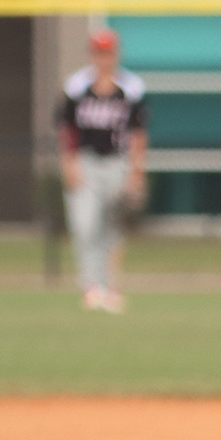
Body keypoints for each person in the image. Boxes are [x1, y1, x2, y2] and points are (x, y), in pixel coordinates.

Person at [57, 29, 149, 314]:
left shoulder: (132, 87)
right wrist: (69, 165)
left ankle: (110, 288)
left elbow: (138, 134)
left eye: (108, 52)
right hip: (85, 161)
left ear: (116, 54)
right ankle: (91, 286)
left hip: (117, 163)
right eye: (98, 51)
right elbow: (66, 130)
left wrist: (136, 173)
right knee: (85, 225)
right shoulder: (76, 86)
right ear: (91, 54)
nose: (103, 57)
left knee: (111, 227)